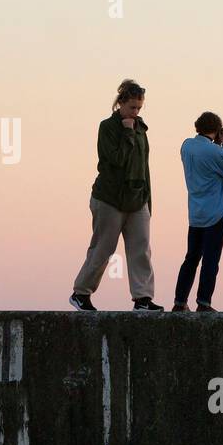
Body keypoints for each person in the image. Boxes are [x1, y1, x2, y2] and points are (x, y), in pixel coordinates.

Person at [70, 79, 163, 311]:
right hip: (109, 198)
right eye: (132, 107)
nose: (136, 112)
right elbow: (116, 160)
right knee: (103, 247)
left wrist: (148, 200)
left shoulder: (141, 128)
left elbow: (144, 166)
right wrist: (127, 134)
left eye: (139, 108)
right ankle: (81, 293)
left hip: (137, 198)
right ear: (120, 103)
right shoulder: (108, 127)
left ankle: (142, 298)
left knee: (141, 248)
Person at [174, 112, 223, 312]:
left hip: (195, 213)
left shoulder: (186, 146)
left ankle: (179, 301)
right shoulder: (215, 152)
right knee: (211, 259)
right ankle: (203, 302)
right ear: (217, 130)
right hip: (215, 214)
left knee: (191, 258)